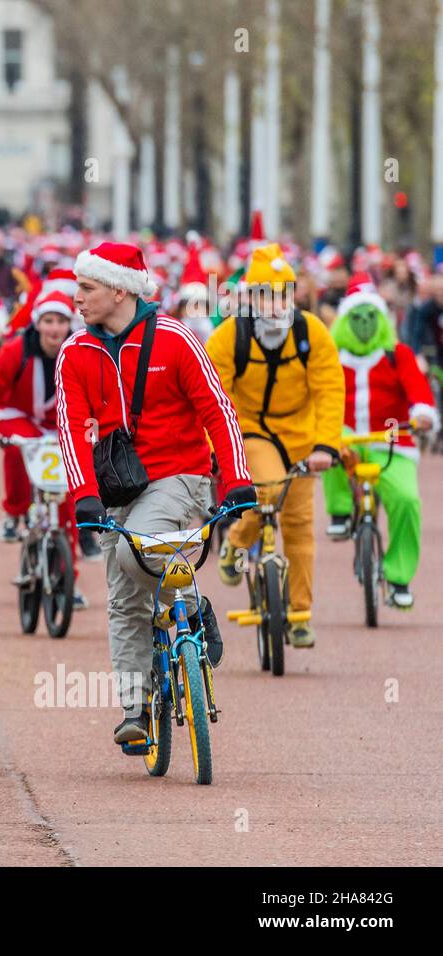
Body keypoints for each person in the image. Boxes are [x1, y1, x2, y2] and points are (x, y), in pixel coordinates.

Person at [56, 242, 254, 745]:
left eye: (87, 287)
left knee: (132, 552)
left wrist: (235, 480)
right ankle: (135, 711)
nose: (75, 298)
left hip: (180, 478)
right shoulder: (75, 353)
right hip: (113, 489)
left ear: (120, 290)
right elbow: (71, 427)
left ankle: (189, 606)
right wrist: (83, 494)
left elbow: (218, 411)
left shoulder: (176, 339)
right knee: (124, 601)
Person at [207, 244, 344, 649]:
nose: (274, 302)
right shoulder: (231, 335)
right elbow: (213, 396)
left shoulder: (311, 331)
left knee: (300, 527)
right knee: (265, 489)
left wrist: (326, 445)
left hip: (302, 437)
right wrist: (217, 448)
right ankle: (237, 540)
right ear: (249, 295)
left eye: (282, 293)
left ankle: (299, 614)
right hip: (252, 431)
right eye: (265, 293)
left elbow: (330, 388)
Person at [321, 276, 437, 608]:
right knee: (328, 443)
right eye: (356, 319)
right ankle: (341, 511)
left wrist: (423, 413)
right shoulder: (331, 355)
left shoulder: (396, 354)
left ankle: (399, 576)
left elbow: (418, 389)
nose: (364, 326)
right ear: (345, 321)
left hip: (392, 441)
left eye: (370, 318)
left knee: (407, 500)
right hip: (349, 438)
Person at [0, 292, 80, 571]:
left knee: (67, 501)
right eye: (48, 321)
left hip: (61, 423)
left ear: (70, 324)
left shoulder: (80, 352)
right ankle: (14, 509)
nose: (54, 328)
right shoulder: (15, 351)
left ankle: (68, 577)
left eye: (60, 321)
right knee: (19, 447)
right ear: (37, 323)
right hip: (19, 415)